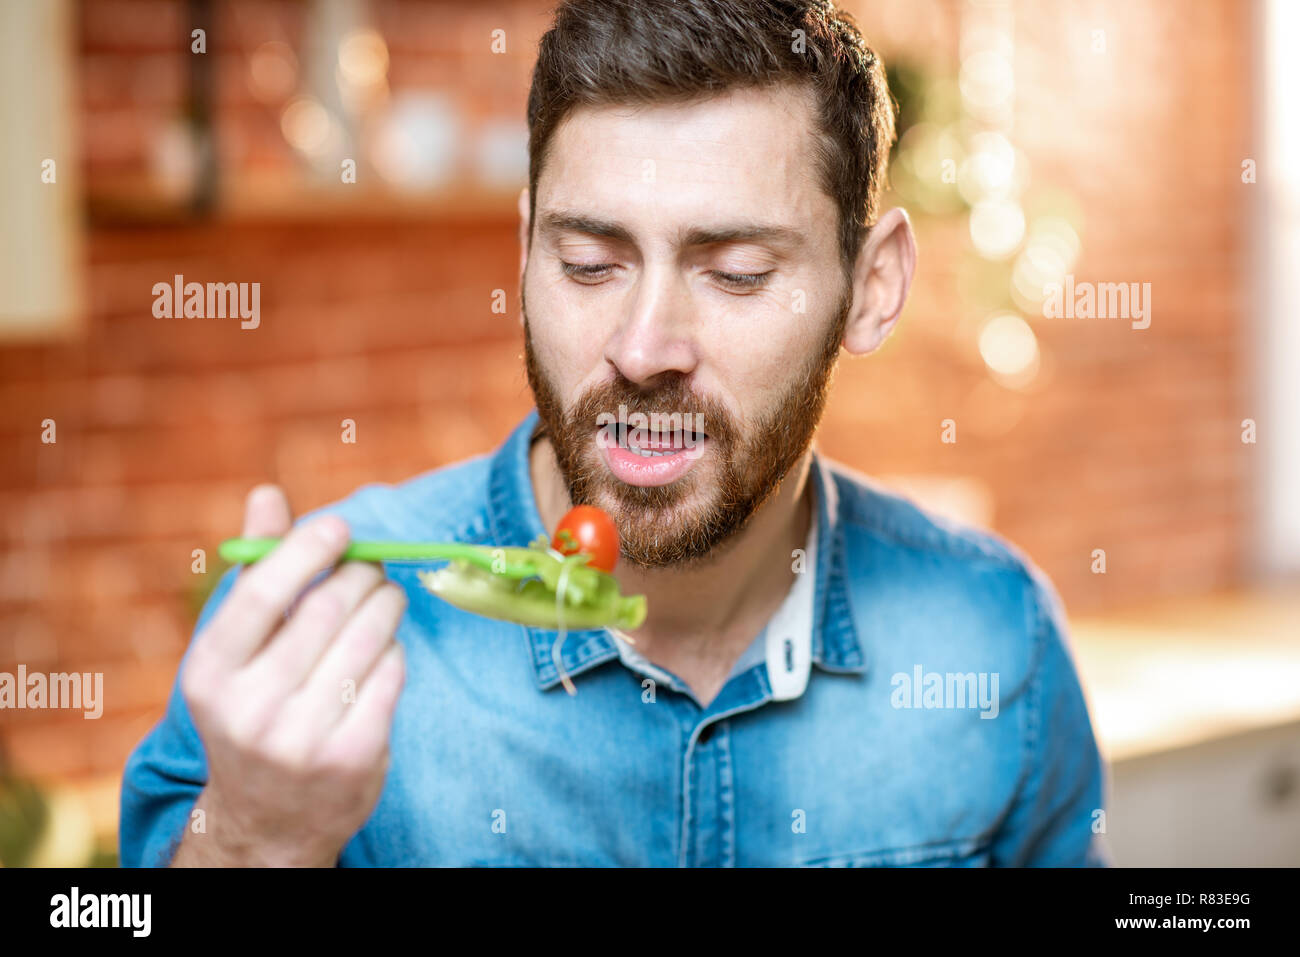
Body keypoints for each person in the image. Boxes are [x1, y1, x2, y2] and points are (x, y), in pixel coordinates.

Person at [120, 0, 1111, 867]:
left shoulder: (991, 633)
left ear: (873, 285)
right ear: (522, 250)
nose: (644, 349)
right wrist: (252, 843)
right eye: (590, 263)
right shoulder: (311, 640)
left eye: (734, 272)